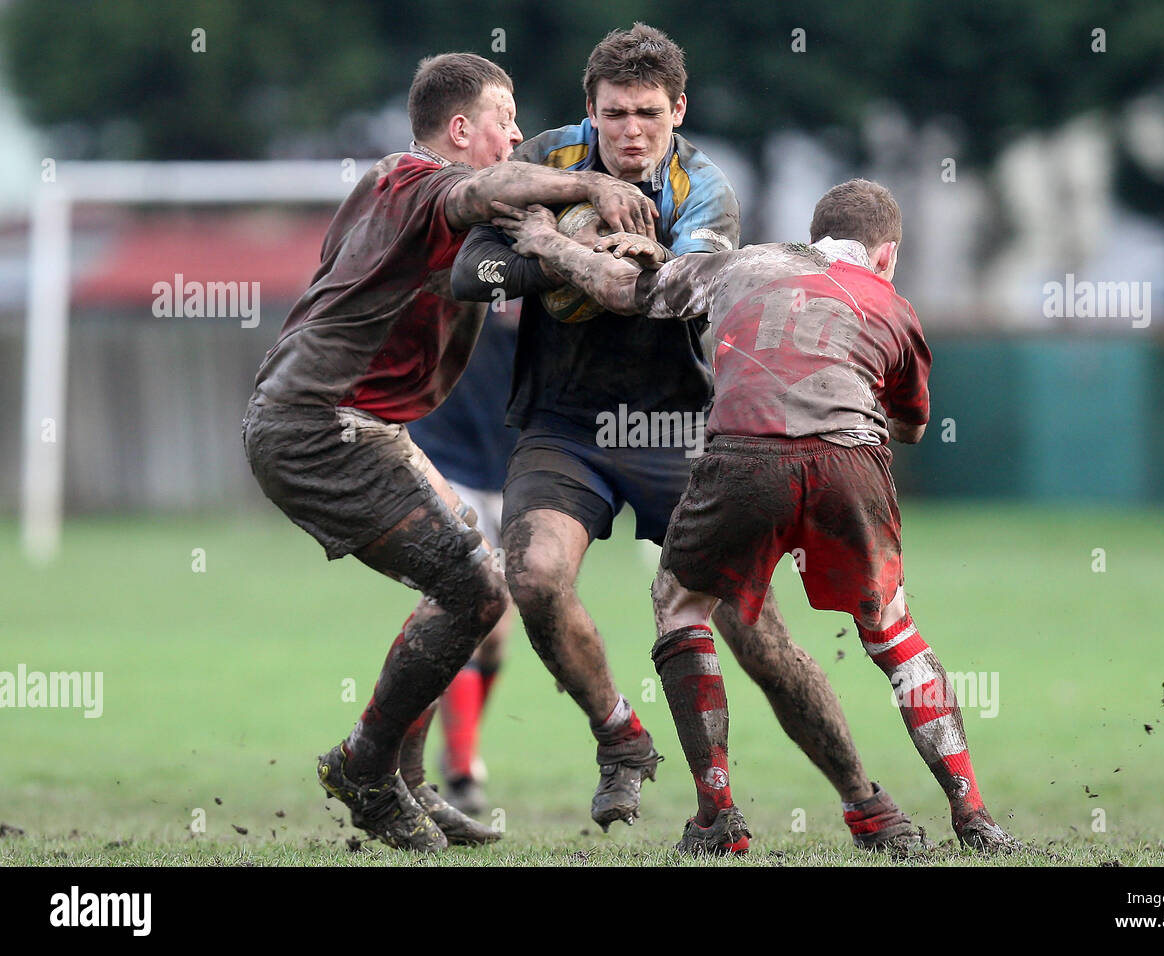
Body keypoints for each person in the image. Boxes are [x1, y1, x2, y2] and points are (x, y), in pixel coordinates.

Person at [451, 25, 896, 849]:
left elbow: (678, 293)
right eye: (614, 113)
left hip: (677, 430)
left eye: (648, 114)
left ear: (677, 110)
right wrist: (569, 247)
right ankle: (621, 736)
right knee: (535, 577)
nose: (630, 131)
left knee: (750, 628)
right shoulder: (545, 162)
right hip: (563, 427)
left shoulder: (707, 187)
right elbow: (468, 274)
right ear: (590, 110)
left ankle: (865, 799)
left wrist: (566, 247)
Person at [491, 178, 1022, 855]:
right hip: (851, 463)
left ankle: (718, 814)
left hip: (745, 453)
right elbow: (911, 427)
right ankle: (973, 814)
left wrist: (546, 244)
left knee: (682, 607)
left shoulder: (744, 263)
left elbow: (625, 290)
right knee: (890, 630)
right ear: (885, 254)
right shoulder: (895, 305)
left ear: (812, 229)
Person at [241, 51, 657, 853]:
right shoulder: (422, 181)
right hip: (318, 424)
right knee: (474, 586)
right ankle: (365, 769)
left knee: (471, 579)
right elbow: (487, 190)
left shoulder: (397, 190)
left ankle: (408, 779)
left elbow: (488, 227)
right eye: (505, 120)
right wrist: (592, 186)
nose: (517, 136)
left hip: (347, 421)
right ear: (460, 130)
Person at [402, 303, 520, 815]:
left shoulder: (564, 279)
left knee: (497, 642)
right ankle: (458, 769)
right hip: (449, 464)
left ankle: (449, 758)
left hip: (520, 469)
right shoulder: (467, 267)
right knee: (475, 615)